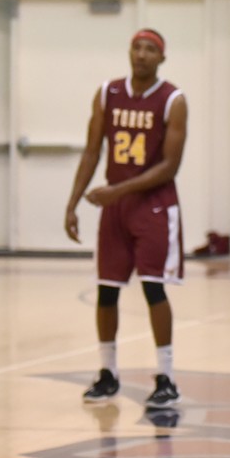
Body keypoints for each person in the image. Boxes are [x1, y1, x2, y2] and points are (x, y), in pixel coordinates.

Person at [64, 28, 188, 412]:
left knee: (154, 288)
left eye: (150, 49)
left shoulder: (173, 100)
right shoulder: (108, 93)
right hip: (115, 208)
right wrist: (72, 203)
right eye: (137, 47)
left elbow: (170, 166)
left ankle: (166, 378)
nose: (142, 54)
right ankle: (107, 372)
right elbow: (91, 151)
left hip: (154, 205)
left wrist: (117, 191)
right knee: (107, 289)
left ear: (161, 58)